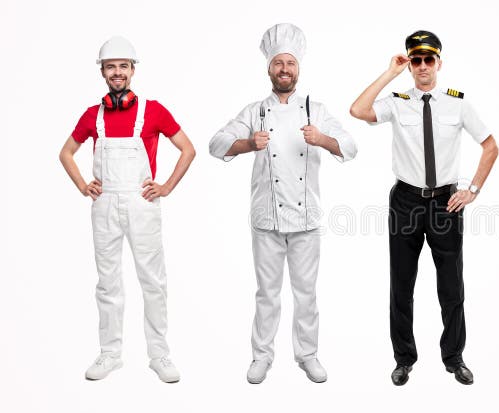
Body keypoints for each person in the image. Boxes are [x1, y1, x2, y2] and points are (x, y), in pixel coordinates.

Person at [209, 23, 357, 385]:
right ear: (269, 69)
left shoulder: (315, 109)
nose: (285, 69)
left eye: (290, 63)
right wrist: (246, 144)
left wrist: (321, 138)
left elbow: (351, 147)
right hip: (266, 220)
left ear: (298, 68)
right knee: (267, 294)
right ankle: (262, 356)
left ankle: (307, 355)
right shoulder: (255, 111)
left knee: (306, 294)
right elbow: (215, 144)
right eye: (279, 64)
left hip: (305, 219)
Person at [350, 30, 498, 386]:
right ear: (409, 64)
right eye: (415, 60)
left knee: (451, 286)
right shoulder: (398, 100)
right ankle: (404, 359)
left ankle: (454, 357)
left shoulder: (457, 102)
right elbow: (358, 110)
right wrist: (390, 73)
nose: (421, 66)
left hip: (446, 202)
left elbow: (490, 146)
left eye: (427, 59)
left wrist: (472, 190)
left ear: (439, 63)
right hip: (406, 201)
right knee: (401, 284)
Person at [58, 36, 195, 383]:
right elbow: (66, 153)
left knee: (153, 280)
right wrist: (82, 184)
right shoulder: (93, 115)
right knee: (108, 283)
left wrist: (165, 186)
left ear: (133, 70)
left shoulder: (153, 111)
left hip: (142, 203)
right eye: (110, 67)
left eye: (122, 66)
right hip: (104, 205)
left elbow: (188, 149)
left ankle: (160, 355)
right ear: (102, 72)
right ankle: (110, 354)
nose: (117, 73)